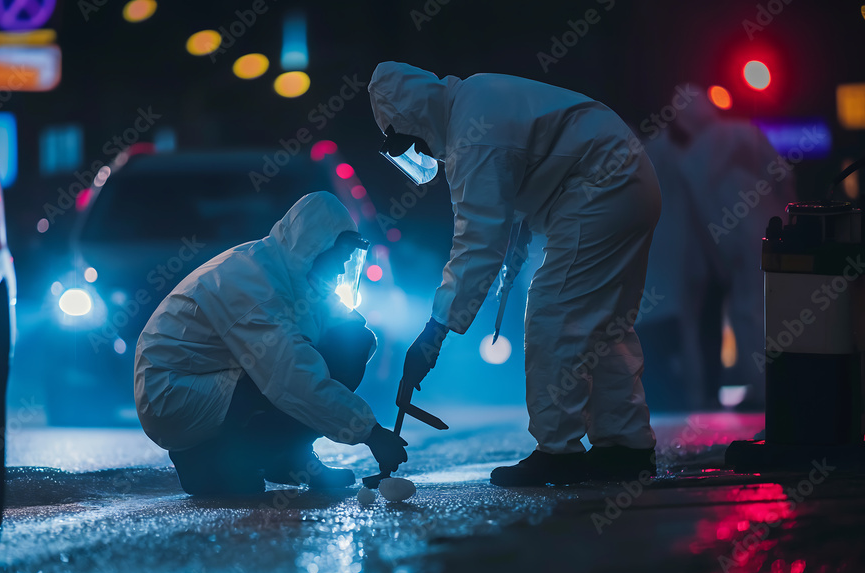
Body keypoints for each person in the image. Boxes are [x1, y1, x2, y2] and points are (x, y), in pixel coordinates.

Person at [368, 61, 662, 485]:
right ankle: (625, 449)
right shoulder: (474, 102)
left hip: (602, 188)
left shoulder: (472, 133)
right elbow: (520, 191)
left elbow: (476, 241)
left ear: (414, 118)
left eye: (414, 143)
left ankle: (559, 452)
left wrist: (434, 332)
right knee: (602, 327)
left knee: (554, 316)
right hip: (625, 184)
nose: (424, 152)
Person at [134, 192, 408, 495]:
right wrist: (371, 433)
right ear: (316, 246)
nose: (342, 270)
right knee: (241, 475)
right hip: (175, 394)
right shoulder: (252, 281)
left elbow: (349, 335)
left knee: (352, 340)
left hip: (217, 378)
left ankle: (283, 456)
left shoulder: (296, 274)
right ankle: (223, 458)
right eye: (339, 259)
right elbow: (291, 376)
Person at [636, 88, 795, 412]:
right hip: (775, 229)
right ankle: (783, 390)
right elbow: (784, 176)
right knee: (781, 314)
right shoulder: (746, 131)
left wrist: (723, 255)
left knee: (747, 314)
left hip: (740, 244)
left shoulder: (692, 156)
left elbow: (704, 212)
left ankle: (766, 394)